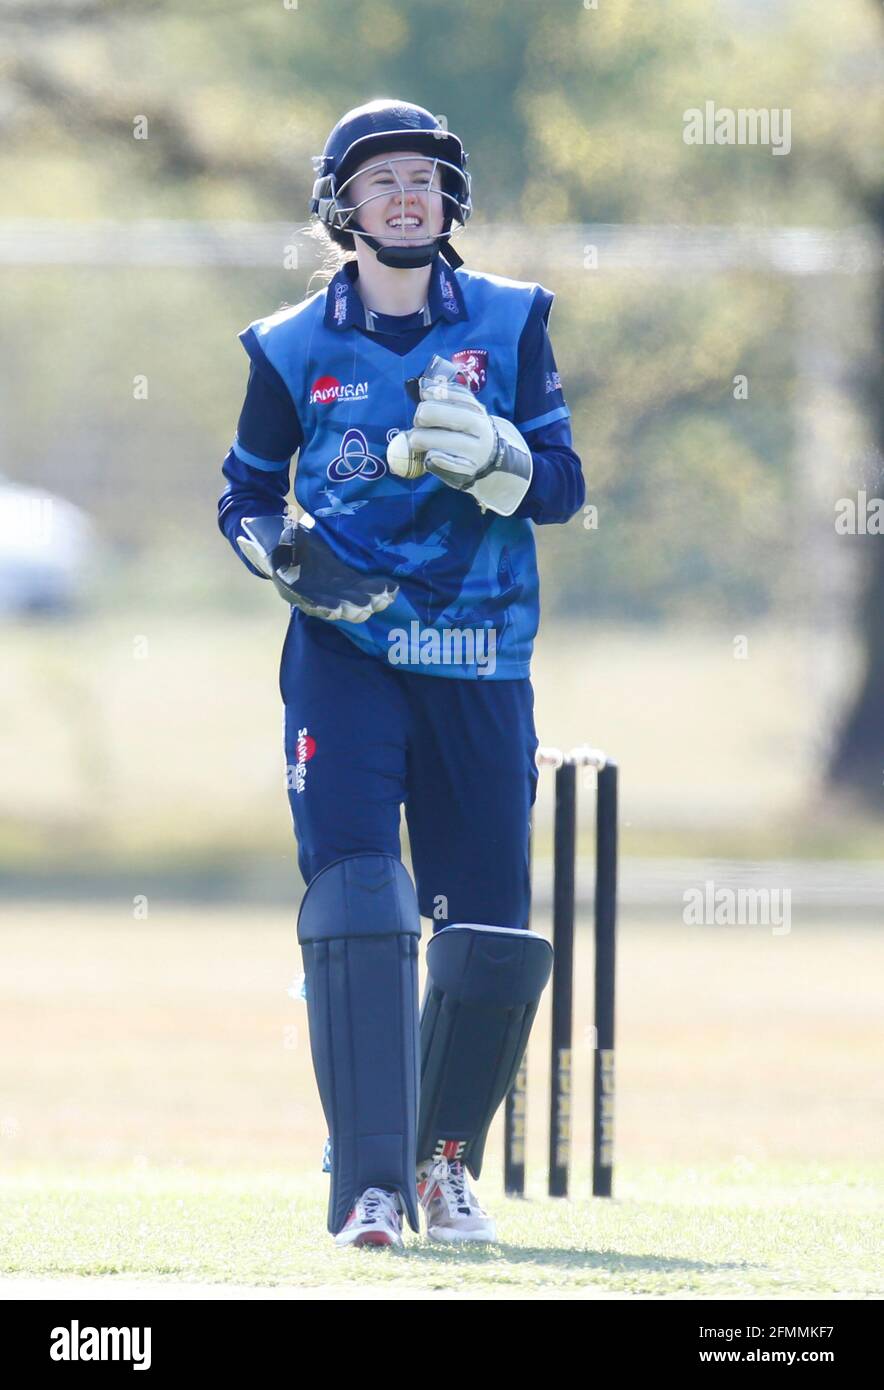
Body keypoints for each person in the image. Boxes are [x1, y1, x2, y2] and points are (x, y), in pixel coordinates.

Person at [217, 98, 585, 1249]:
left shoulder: (513, 320)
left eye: (422, 178)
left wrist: (504, 461)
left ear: (449, 197)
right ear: (341, 206)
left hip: (479, 653)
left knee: (481, 919)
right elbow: (241, 492)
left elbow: (566, 488)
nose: (405, 195)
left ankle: (443, 1167)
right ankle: (367, 1179)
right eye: (380, 181)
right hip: (346, 651)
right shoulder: (288, 345)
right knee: (359, 893)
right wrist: (278, 551)